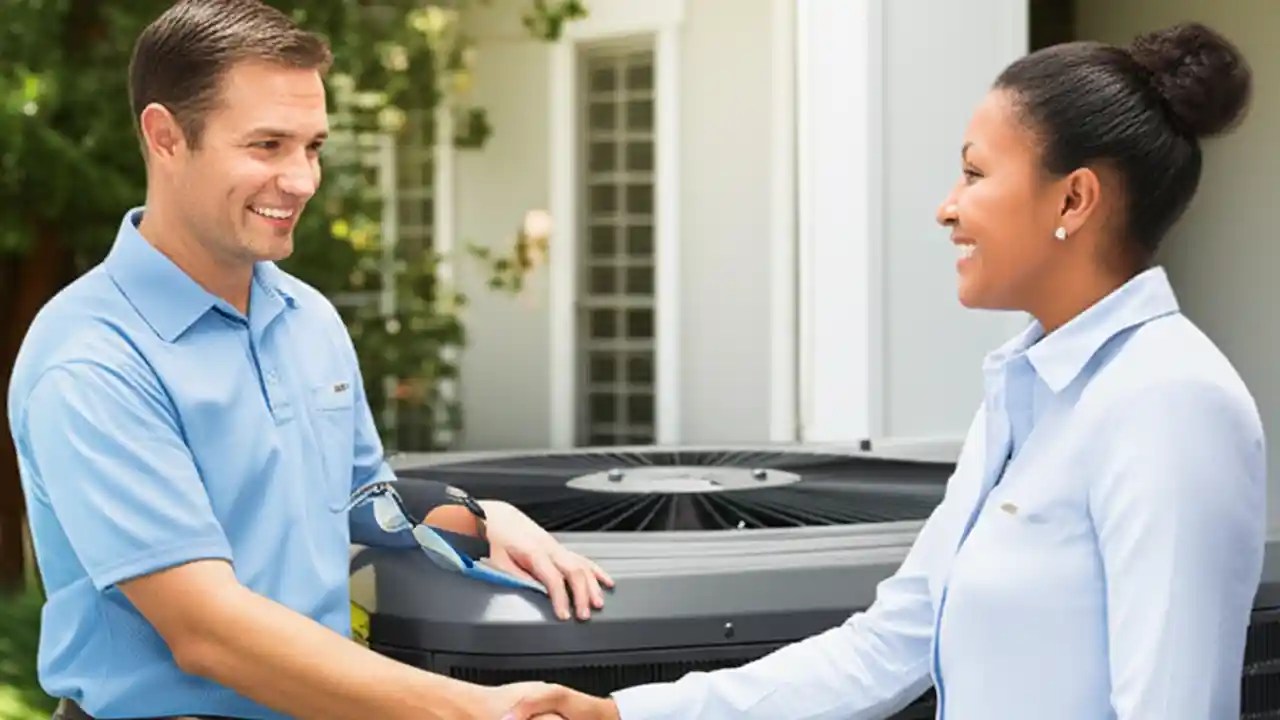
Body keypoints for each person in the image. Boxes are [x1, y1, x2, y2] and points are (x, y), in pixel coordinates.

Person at [500, 20, 1265, 720]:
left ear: (1074, 196)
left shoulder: (1170, 403)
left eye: (974, 174)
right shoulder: (1023, 395)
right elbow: (886, 648)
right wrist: (619, 714)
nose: (947, 207)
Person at [8, 1, 608, 719]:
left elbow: (356, 499)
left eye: (312, 146)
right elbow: (207, 631)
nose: (302, 180)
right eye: (267, 146)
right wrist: (469, 710)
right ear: (166, 137)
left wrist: (473, 517)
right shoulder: (92, 359)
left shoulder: (308, 319)